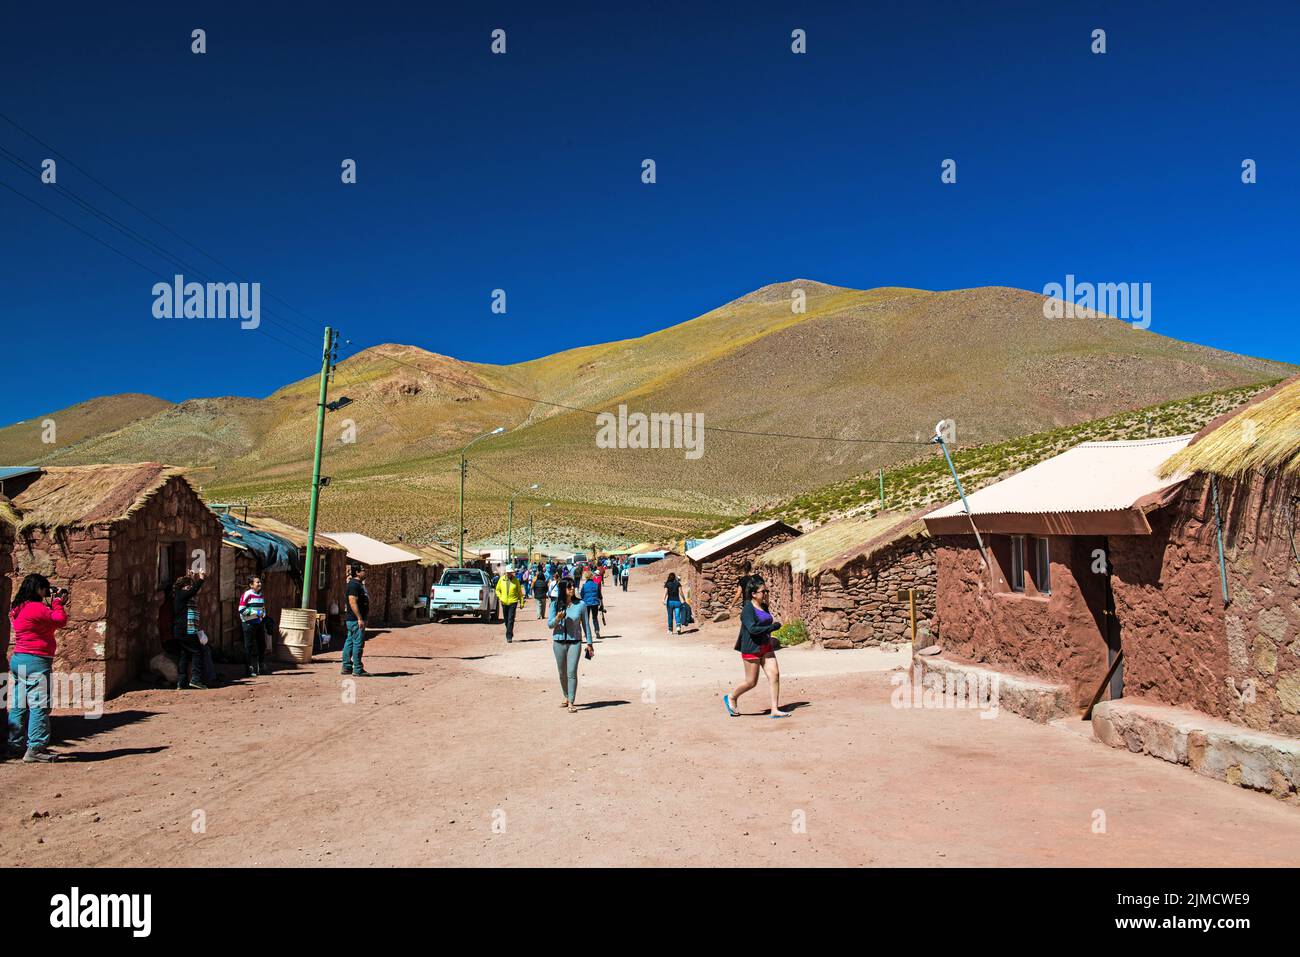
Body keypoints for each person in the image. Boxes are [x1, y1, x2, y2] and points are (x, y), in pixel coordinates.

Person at [6, 574, 69, 763]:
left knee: (19, 703)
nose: (46, 593)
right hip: (36, 660)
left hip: (19, 658)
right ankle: (36, 747)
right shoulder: (36, 608)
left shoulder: (18, 608)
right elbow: (59, 620)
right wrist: (58, 602)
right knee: (39, 705)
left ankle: (14, 745)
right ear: (38, 589)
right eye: (45, 589)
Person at [723, 582, 788, 718]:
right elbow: (752, 629)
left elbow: (765, 622)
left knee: (774, 674)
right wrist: (772, 628)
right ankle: (731, 697)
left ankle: (774, 709)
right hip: (751, 648)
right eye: (763, 592)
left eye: (766, 591)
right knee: (751, 682)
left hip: (766, 646)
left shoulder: (764, 606)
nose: (765, 594)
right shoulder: (748, 609)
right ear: (753, 594)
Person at [548, 579, 594, 713]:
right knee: (562, 673)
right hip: (558, 643)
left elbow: (586, 625)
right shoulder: (554, 604)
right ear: (563, 589)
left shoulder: (581, 604)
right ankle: (566, 696)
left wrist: (589, 643)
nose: (572, 588)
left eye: (573, 586)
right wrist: (557, 618)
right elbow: (550, 625)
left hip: (575, 642)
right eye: (569, 587)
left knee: (571, 672)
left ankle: (571, 702)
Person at [171, 571, 208, 690]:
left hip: (181, 631)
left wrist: (190, 577)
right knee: (198, 651)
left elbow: (191, 592)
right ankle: (196, 679)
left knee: (184, 655)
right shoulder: (181, 595)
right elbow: (193, 591)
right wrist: (201, 579)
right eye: (188, 586)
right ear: (182, 587)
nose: (190, 588)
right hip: (186, 630)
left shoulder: (182, 596)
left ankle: (181, 682)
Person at [342, 565, 370, 677]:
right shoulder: (354, 585)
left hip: (354, 620)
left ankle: (347, 666)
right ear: (357, 572)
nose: (365, 572)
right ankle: (357, 668)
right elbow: (352, 602)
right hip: (355, 620)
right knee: (358, 644)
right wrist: (359, 618)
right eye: (363, 571)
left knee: (350, 641)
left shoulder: (358, 585)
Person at [238, 576, 269, 677]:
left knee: (262, 645)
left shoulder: (260, 595)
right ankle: (248, 668)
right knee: (249, 647)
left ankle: (260, 665)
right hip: (248, 624)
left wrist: (263, 613)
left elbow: (262, 607)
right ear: (251, 585)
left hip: (258, 623)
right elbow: (241, 609)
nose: (259, 584)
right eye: (257, 582)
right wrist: (257, 612)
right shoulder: (247, 594)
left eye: (260, 582)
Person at [495, 567, 523, 642]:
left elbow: (520, 592)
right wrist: (500, 597)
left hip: (513, 602)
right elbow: (497, 590)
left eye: (510, 572)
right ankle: (509, 631)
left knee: (511, 619)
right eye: (508, 572)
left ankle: (509, 636)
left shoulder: (516, 581)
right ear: (505, 573)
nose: (509, 574)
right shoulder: (501, 579)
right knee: (506, 620)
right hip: (504, 602)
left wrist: (521, 602)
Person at [578, 568, 602, 641]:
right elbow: (599, 595)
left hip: (586, 603)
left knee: (586, 619)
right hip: (595, 603)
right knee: (595, 618)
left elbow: (581, 595)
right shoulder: (595, 584)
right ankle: (597, 630)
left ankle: (587, 633)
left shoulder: (584, 586)